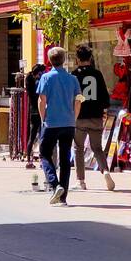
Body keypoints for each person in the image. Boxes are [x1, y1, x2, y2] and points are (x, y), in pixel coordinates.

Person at [37, 46, 82, 205]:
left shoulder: (46, 78)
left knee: (44, 153)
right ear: (64, 60)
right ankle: (63, 197)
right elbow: (78, 101)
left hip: (51, 122)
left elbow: (42, 101)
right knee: (65, 159)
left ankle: (55, 184)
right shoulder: (73, 79)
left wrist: (43, 119)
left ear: (50, 60)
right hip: (68, 123)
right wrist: (73, 118)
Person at [73, 45, 115, 191]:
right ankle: (106, 171)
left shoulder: (74, 75)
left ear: (77, 59)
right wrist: (103, 109)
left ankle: (81, 181)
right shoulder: (97, 74)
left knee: (78, 148)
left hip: (79, 116)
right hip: (96, 116)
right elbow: (104, 96)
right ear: (90, 58)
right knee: (97, 148)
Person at [24, 62, 45, 168]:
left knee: (31, 136)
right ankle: (42, 159)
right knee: (42, 135)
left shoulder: (29, 81)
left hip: (32, 111)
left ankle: (29, 159)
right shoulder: (39, 82)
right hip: (40, 110)